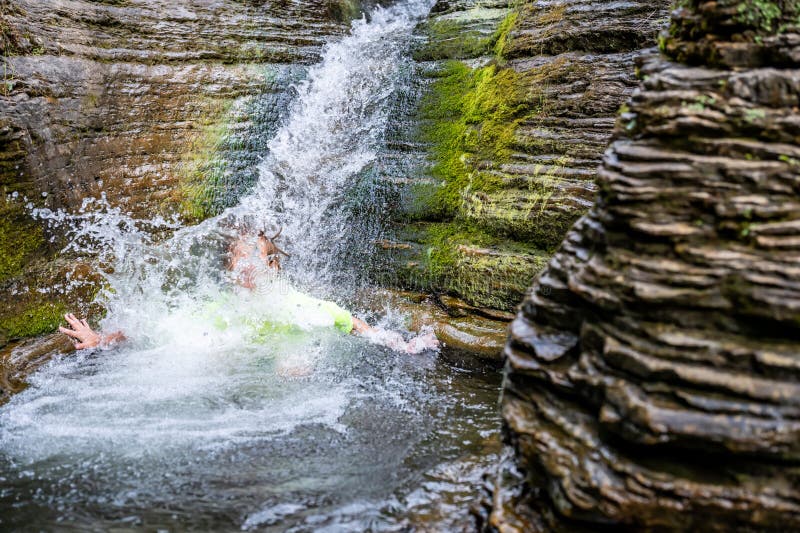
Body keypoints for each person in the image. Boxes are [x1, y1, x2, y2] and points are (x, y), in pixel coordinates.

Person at [60, 225, 440, 355]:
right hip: (239, 360)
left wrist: (401, 344)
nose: (244, 271)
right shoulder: (221, 306)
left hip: (288, 350)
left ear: (271, 266)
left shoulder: (296, 304)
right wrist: (102, 339)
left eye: (251, 262)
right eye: (236, 263)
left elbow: (352, 322)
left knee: (294, 366)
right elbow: (162, 326)